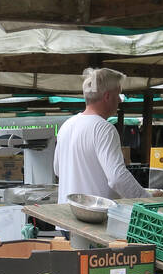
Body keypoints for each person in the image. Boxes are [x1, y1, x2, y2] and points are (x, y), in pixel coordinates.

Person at [55, 68, 154, 203]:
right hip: (95, 219)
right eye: (118, 94)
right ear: (107, 96)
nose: (120, 100)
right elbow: (117, 178)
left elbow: (58, 170)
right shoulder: (104, 128)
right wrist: (148, 200)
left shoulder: (66, 126)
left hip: (67, 217)